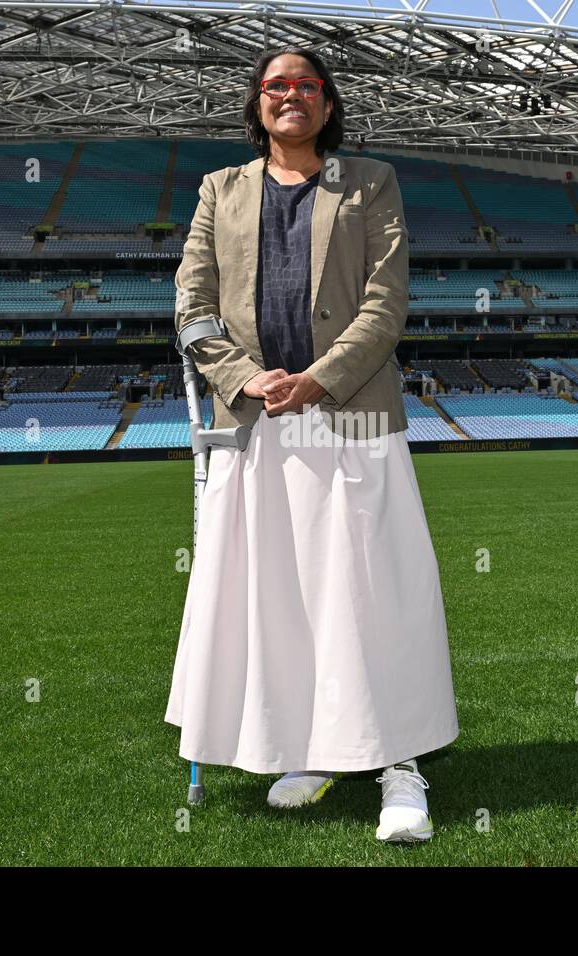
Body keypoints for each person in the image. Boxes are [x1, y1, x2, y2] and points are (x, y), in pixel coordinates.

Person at [164, 46, 459, 843]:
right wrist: (249, 379)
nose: (290, 96)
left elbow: (384, 302)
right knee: (285, 602)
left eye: (305, 86)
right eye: (275, 87)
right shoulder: (218, 189)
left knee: (371, 594)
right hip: (257, 423)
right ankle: (314, 748)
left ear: (327, 104)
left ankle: (401, 768)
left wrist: (320, 379)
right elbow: (192, 306)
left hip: (352, 416)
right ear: (257, 104)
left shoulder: (370, 182)